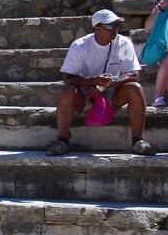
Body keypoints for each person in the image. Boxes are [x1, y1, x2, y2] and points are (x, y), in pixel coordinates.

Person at [47, 9, 154, 156]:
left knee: (135, 88)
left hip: (112, 91)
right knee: (68, 90)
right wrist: (92, 82)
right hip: (85, 93)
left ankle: (138, 141)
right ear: (97, 28)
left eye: (117, 25)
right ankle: (62, 140)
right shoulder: (80, 45)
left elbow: (133, 74)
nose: (115, 29)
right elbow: (69, 78)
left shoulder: (123, 43)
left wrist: (105, 85)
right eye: (110, 26)